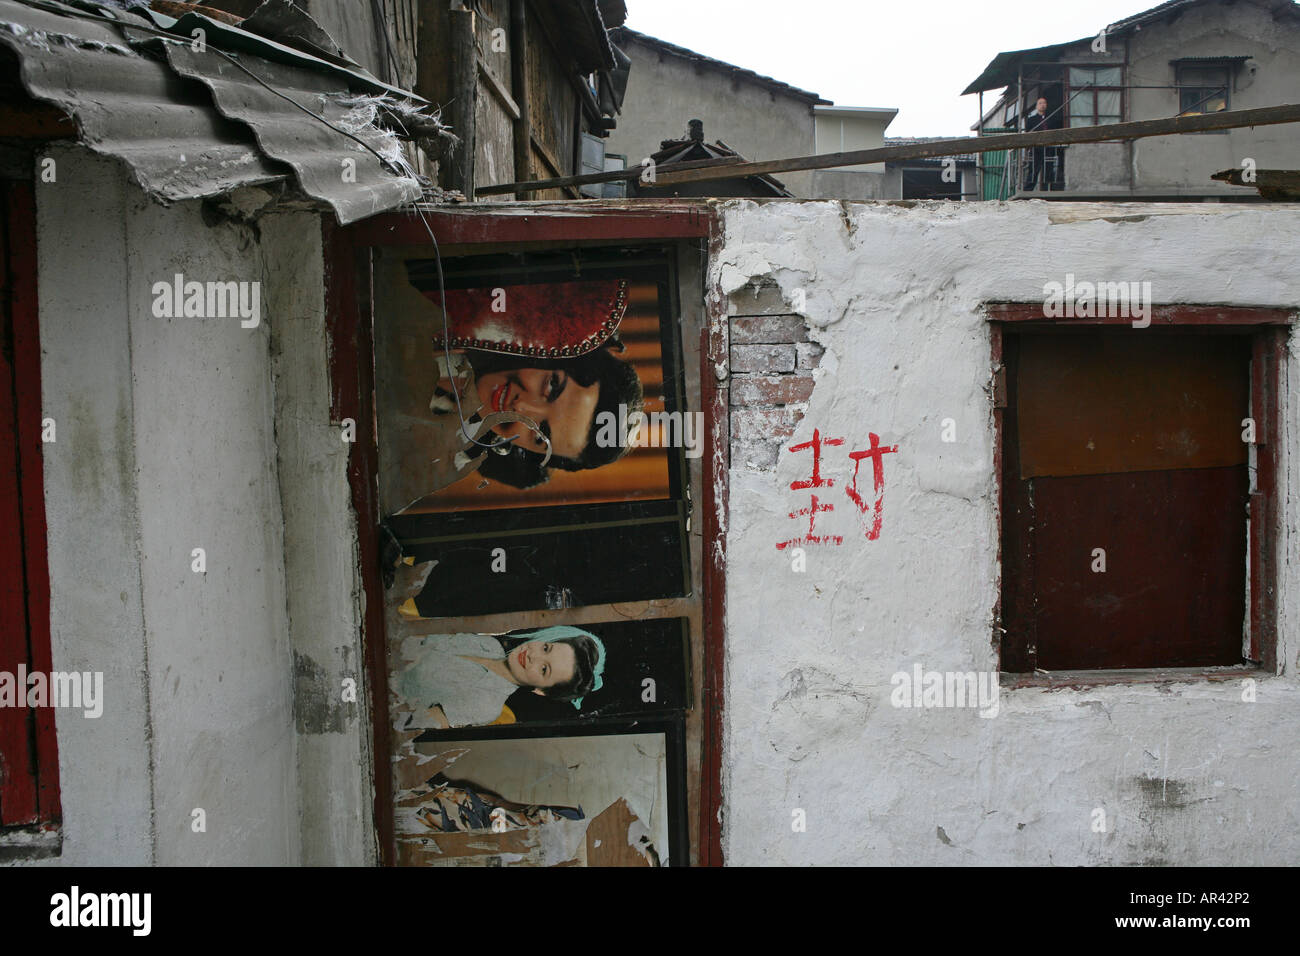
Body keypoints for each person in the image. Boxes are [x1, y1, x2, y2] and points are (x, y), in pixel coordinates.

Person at [394, 626, 606, 729]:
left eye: (544, 669)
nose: (533, 656)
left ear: (541, 691)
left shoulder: (486, 706)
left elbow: (406, 723)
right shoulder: (489, 644)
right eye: (545, 647)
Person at [1022, 97, 1056, 191]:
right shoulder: (1031, 120)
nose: (1043, 105)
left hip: (1048, 147)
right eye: (1040, 103)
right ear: (1037, 106)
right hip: (1036, 148)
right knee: (1033, 169)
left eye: (1044, 103)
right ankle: (1028, 190)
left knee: (1049, 168)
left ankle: (1048, 189)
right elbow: (1028, 133)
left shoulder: (1051, 118)